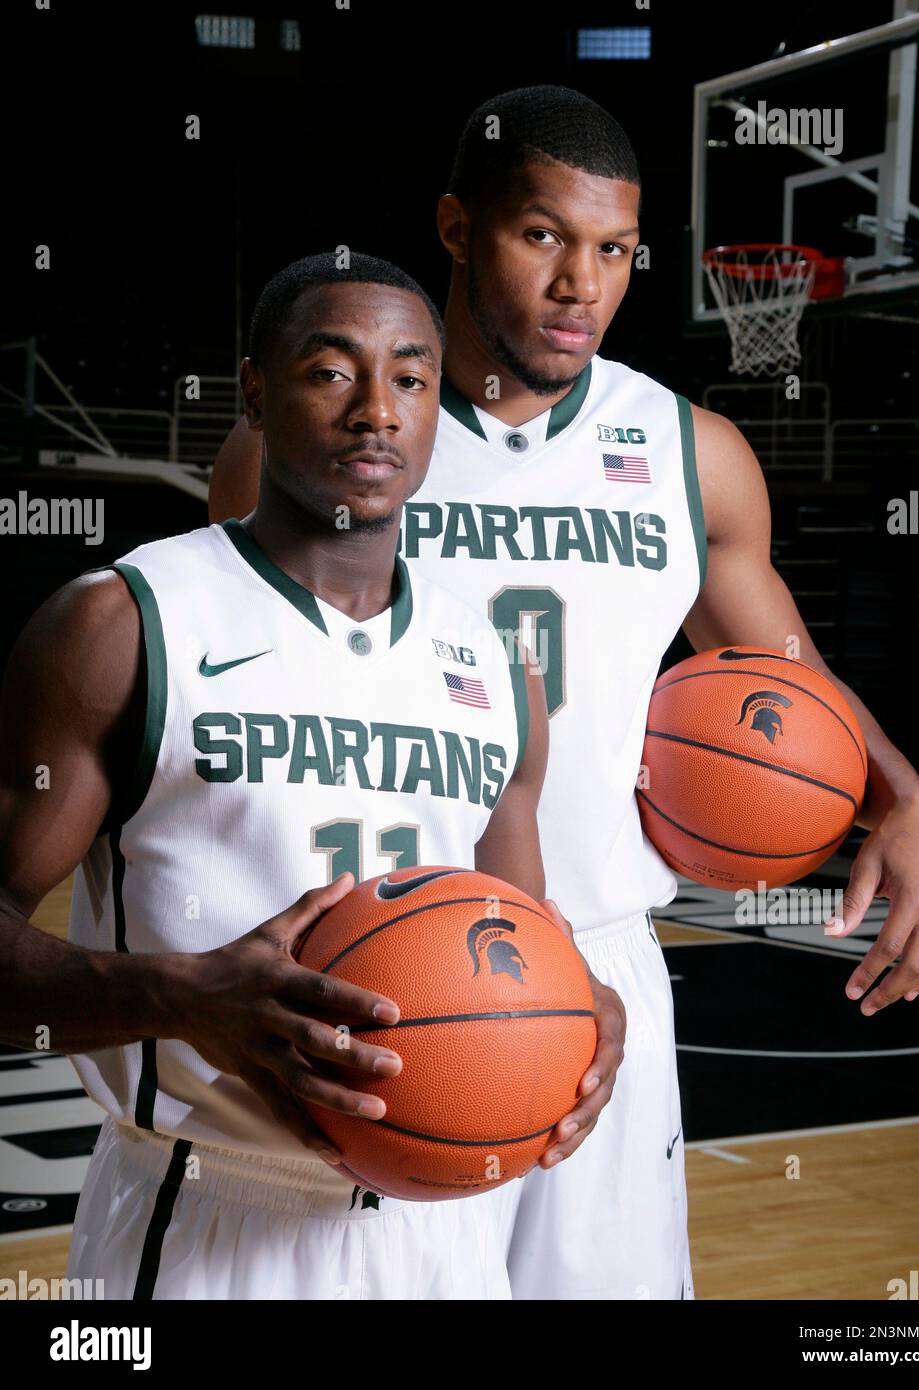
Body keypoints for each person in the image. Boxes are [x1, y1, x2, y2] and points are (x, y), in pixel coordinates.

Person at [209, 87, 919, 1301]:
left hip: (601, 963)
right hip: (380, 967)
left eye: (614, 250)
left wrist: (905, 797)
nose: (583, 285)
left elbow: (787, 682)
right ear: (458, 228)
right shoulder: (325, 439)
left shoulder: (687, 452)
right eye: (544, 236)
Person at [0, 253, 624, 1301]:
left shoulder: (491, 665)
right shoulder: (124, 626)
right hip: (204, 1215)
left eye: (411, 379)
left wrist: (586, 1015)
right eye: (332, 372)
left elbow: (524, 936)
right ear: (254, 392)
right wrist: (183, 996)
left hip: (448, 1234)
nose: (376, 411)